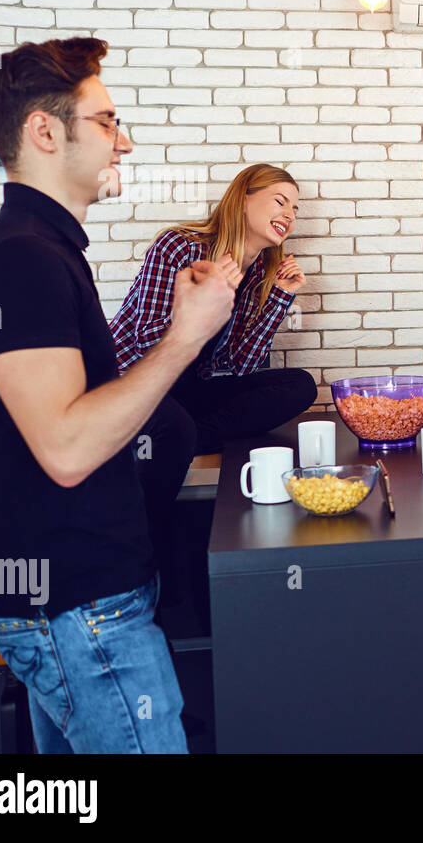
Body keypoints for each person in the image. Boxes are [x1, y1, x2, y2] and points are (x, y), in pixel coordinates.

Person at [0, 37, 236, 752]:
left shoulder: (40, 251)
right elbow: (68, 447)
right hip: (82, 614)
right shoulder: (21, 260)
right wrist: (183, 338)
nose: (124, 142)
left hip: (75, 610)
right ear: (44, 132)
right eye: (106, 121)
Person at [109, 165, 317, 607]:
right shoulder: (181, 246)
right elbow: (148, 340)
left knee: (298, 386)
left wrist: (279, 296)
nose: (291, 215)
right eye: (281, 201)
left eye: (296, 209)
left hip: (186, 388)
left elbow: (235, 365)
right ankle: (136, 560)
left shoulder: (260, 268)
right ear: (242, 197)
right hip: (136, 380)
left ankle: (188, 434)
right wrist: (211, 296)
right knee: (176, 429)